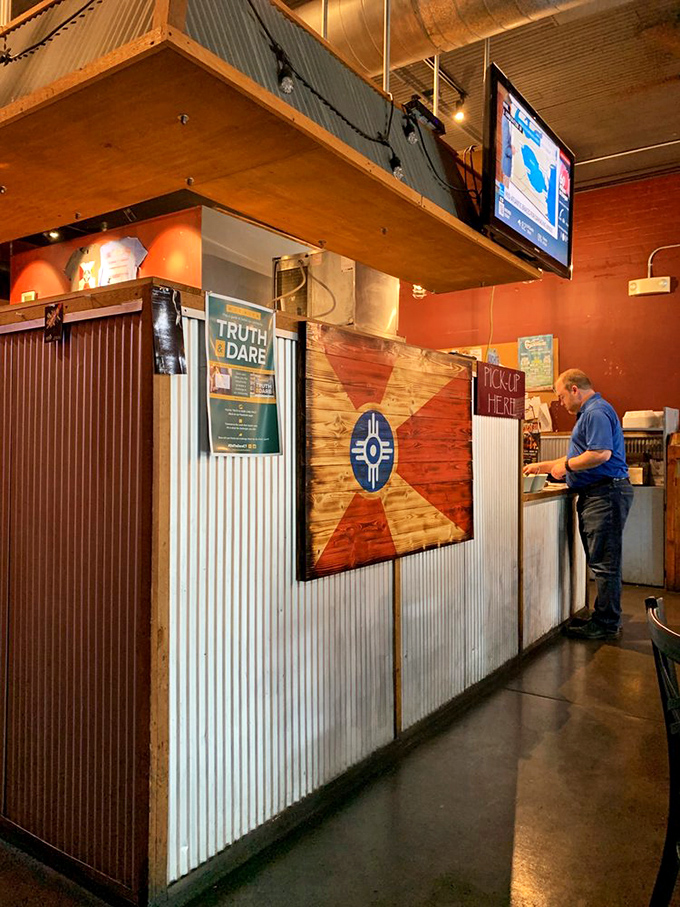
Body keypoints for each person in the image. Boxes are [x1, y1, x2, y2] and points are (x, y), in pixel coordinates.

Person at [524, 369, 633, 640]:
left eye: (561, 396)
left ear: (575, 389)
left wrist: (567, 466)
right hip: (601, 493)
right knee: (603, 561)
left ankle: (606, 622)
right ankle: (605, 617)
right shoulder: (593, 411)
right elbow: (580, 454)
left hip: (605, 494)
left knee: (605, 563)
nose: (561, 403)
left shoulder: (595, 412)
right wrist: (544, 465)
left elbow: (600, 454)